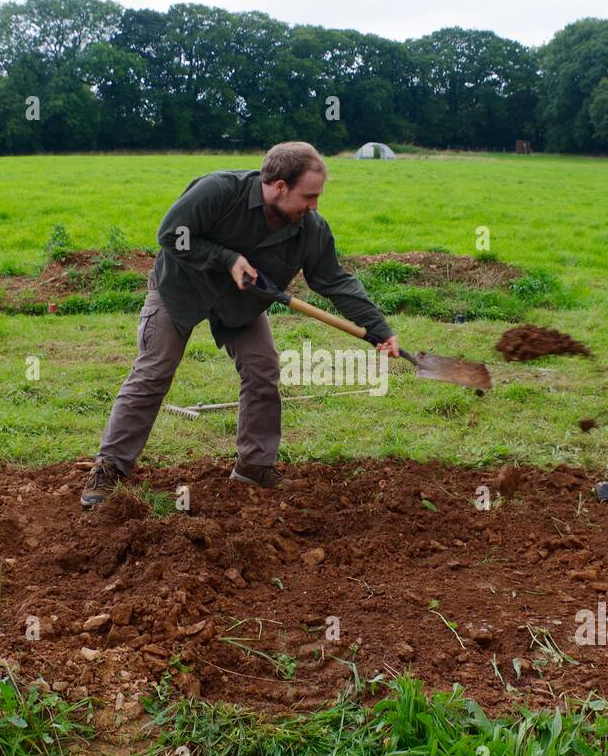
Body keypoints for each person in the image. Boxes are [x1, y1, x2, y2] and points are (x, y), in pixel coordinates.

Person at [82, 141, 400, 508]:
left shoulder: (310, 228)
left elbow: (334, 280)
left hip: (241, 304)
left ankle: (254, 466)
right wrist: (227, 258)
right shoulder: (220, 190)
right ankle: (110, 468)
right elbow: (172, 234)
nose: (314, 206)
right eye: (309, 196)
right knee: (153, 372)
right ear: (279, 186)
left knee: (263, 369)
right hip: (181, 289)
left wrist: (379, 328)